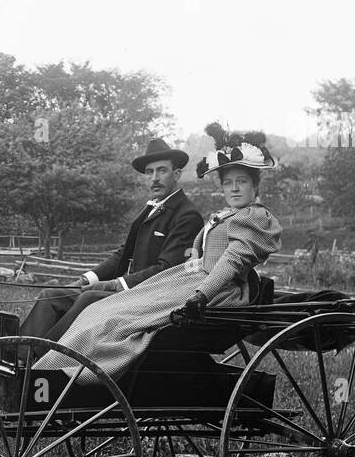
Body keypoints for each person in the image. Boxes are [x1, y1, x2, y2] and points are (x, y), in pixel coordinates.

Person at [33, 126, 283, 381]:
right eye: (228, 183)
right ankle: (48, 363)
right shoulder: (224, 215)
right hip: (190, 280)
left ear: (255, 184)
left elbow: (232, 260)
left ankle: (60, 369)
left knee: (115, 315)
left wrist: (202, 294)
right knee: (104, 309)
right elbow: (197, 253)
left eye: (241, 182)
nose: (234, 188)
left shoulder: (255, 217)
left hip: (217, 292)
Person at [19, 138, 203, 339]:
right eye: (149, 172)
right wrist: (86, 278)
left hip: (151, 298)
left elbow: (166, 269)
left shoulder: (186, 215)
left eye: (162, 171)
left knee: (89, 298)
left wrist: (116, 284)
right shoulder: (151, 208)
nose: (154, 178)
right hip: (131, 292)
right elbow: (123, 254)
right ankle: (19, 354)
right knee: (52, 294)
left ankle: (41, 357)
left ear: (177, 174)